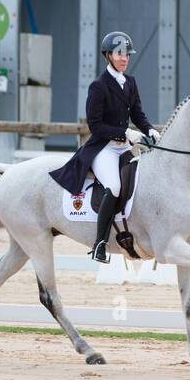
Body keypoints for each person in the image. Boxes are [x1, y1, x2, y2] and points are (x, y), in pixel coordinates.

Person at [50, 32, 159, 263]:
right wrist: (126, 133)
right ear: (108, 55)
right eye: (119, 54)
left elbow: (138, 114)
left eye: (126, 54)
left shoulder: (130, 82)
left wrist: (149, 129)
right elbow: (95, 125)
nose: (124, 58)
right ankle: (100, 243)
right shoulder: (98, 86)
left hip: (125, 148)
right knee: (115, 186)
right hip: (104, 149)